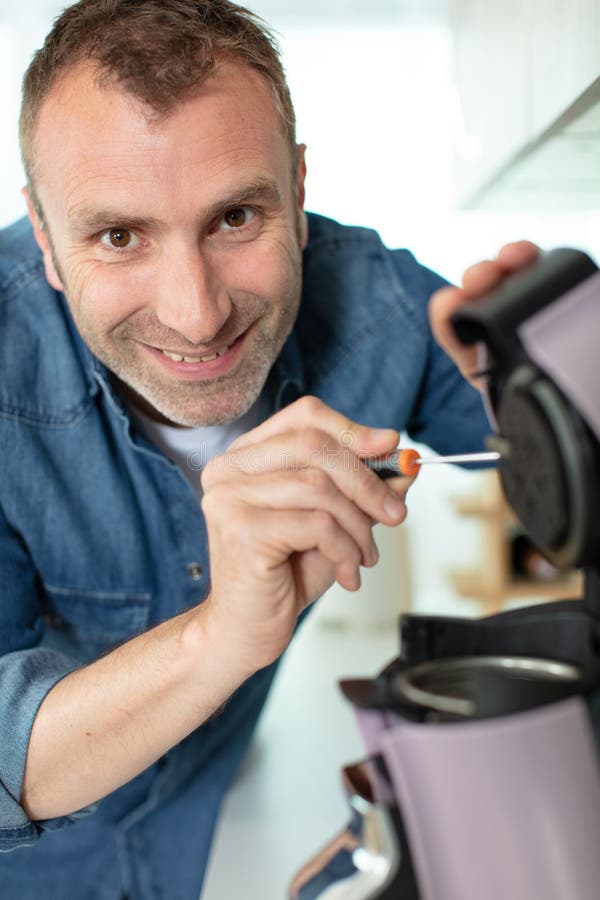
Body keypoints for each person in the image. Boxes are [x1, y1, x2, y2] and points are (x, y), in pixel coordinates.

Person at [0, 1, 535, 897]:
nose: (196, 313)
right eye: (119, 236)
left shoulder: (379, 305)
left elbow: (552, 445)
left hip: (190, 845)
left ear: (296, 186)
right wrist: (221, 639)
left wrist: (568, 360)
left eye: (236, 217)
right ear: (48, 240)